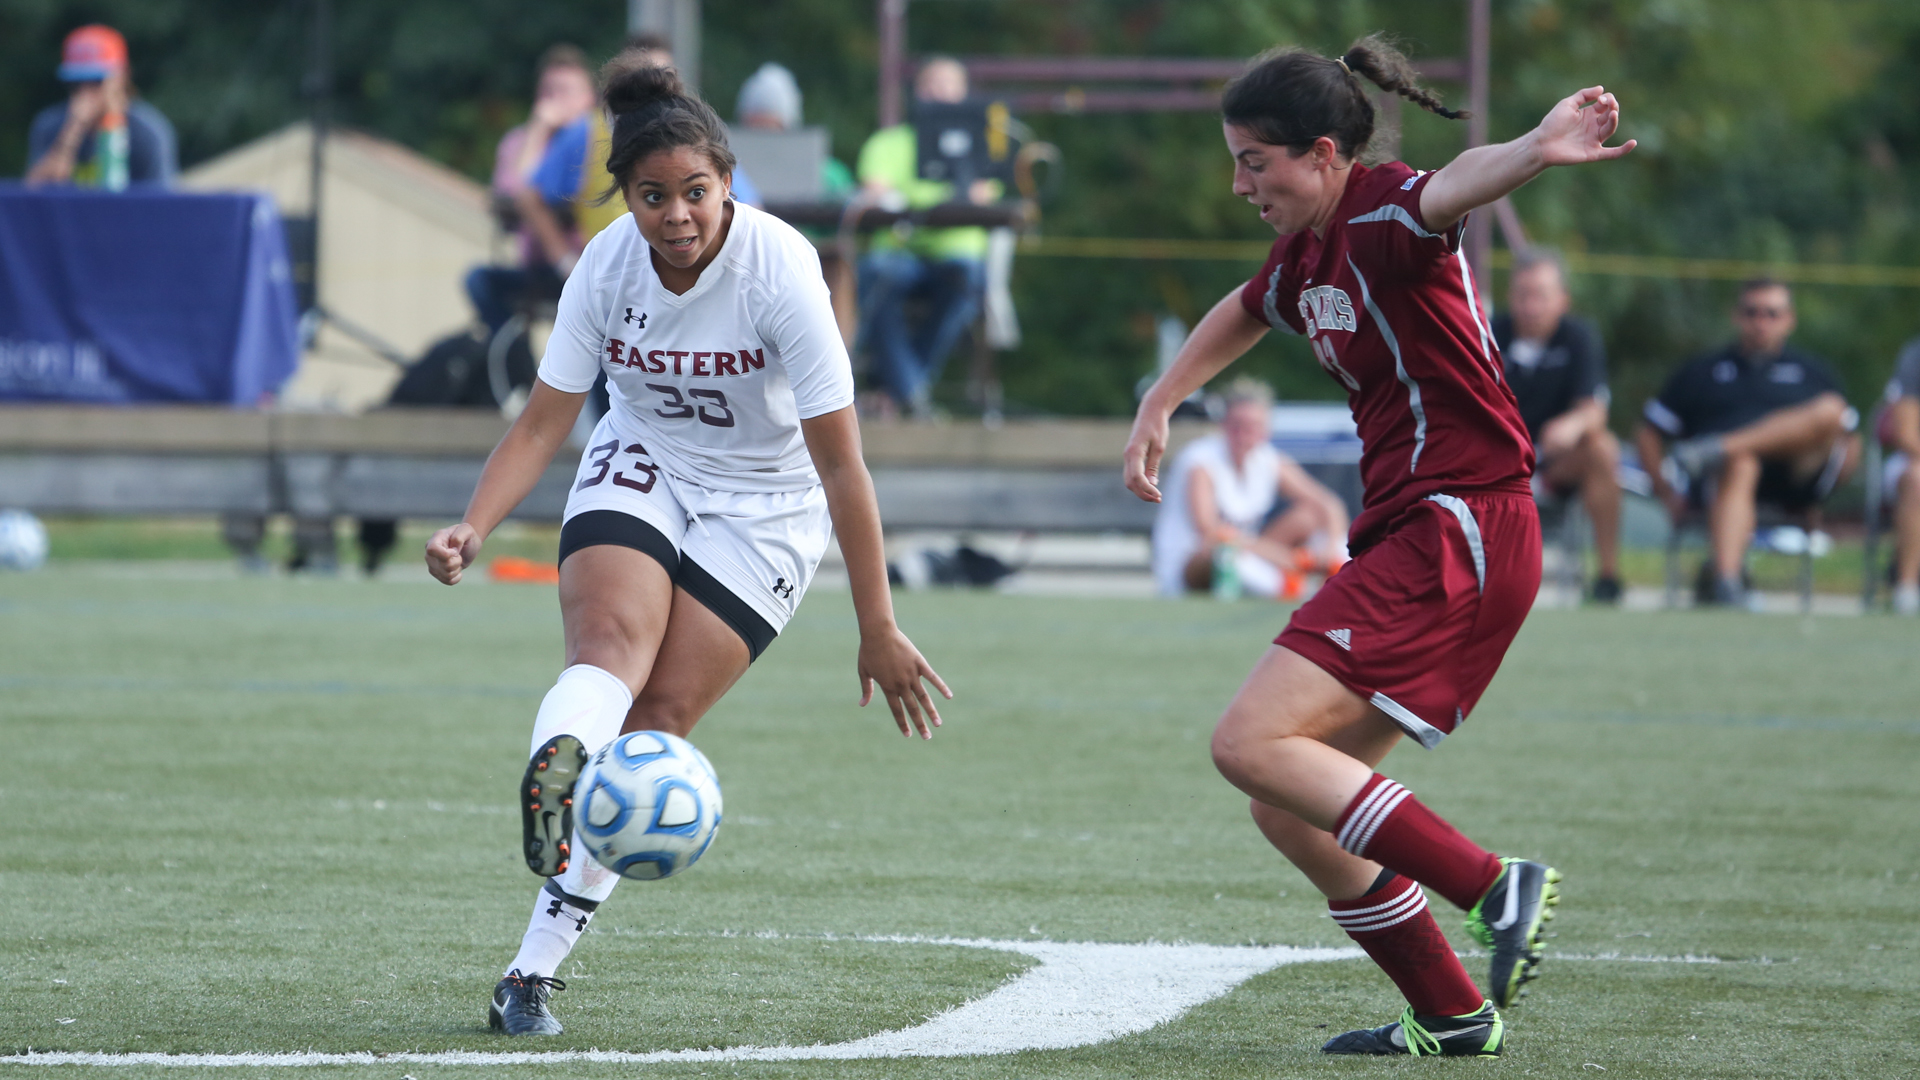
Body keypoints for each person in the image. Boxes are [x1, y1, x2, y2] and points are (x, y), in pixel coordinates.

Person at [1124, 36, 1633, 1057]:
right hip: (1427, 531)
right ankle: (1451, 1013)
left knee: (1248, 745)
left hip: (1462, 525)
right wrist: (1163, 400)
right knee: (1290, 805)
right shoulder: (1309, 249)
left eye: (1252, 162)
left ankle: (1495, 885)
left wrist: (1535, 146)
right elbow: (1244, 308)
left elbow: (1455, 188)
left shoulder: (1389, 210)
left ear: (1320, 153)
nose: (1239, 185)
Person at [423, 63, 950, 1037]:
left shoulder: (782, 269)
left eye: (695, 192)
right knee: (607, 653)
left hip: (768, 506)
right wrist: (474, 524)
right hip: (645, 460)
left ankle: (529, 974)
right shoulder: (606, 265)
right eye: (652, 196)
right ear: (625, 197)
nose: (676, 216)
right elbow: (544, 424)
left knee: (658, 721)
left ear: (728, 182)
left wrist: (877, 624)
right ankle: (557, 762)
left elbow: (843, 471)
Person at [1635, 279, 1859, 608]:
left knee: (1831, 411)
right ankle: (1728, 582)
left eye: (1772, 313)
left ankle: (1721, 445)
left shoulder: (1812, 371)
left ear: (1789, 319)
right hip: (1725, 481)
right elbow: (1649, 431)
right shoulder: (1703, 370)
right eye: (1752, 312)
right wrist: (1665, 493)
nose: (1761, 321)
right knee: (1742, 462)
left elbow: (1851, 441)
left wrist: (1824, 492)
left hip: (1796, 475)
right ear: (1736, 316)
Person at [855, 57, 996, 417]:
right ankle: (913, 392)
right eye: (933, 84)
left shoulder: (980, 145)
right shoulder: (890, 142)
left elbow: (982, 195)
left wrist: (913, 199)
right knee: (877, 275)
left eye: (950, 86)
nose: (941, 94)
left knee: (964, 281)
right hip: (898, 251)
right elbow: (876, 190)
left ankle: (901, 390)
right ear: (918, 92)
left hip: (957, 254)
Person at [1491, 248, 1623, 602]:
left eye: (1541, 296)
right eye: (1523, 295)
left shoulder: (1579, 338)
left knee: (1602, 448)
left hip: (1553, 463)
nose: (1530, 306)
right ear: (1510, 296)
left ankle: (1608, 577)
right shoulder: (1487, 333)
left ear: (1562, 300)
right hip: (1493, 459)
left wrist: (1572, 424)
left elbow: (1595, 410)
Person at [1151, 379, 1350, 600]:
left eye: (1254, 426)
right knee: (1222, 553)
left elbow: (1328, 504)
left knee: (1309, 517)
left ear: (1266, 428)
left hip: (1250, 554)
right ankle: (1285, 585)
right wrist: (1283, 558)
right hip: (1193, 566)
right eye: (1237, 425)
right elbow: (1211, 533)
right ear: (1224, 424)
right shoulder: (1200, 461)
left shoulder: (1268, 459)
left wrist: (1330, 551)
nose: (1245, 434)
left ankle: (1329, 581)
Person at [466, 45, 599, 337]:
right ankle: (520, 371)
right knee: (478, 280)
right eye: (548, 90)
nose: (555, 99)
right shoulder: (518, 141)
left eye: (566, 90)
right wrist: (539, 132)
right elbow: (513, 195)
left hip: (585, 266)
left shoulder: (595, 140)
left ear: (588, 97)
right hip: (538, 268)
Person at [26, 24, 176, 189]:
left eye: (96, 81)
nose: (85, 92)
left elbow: (160, 203)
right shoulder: (50, 126)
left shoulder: (147, 132)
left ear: (122, 77)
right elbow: (34, 195)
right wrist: (70, 134)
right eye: (76, 84)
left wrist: (112, 122)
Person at [1877, 337, 1920, 615]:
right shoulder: (1916, 356)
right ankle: (1906, 589)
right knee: (1918, 477)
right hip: (1913, 459)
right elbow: (1905, 434)